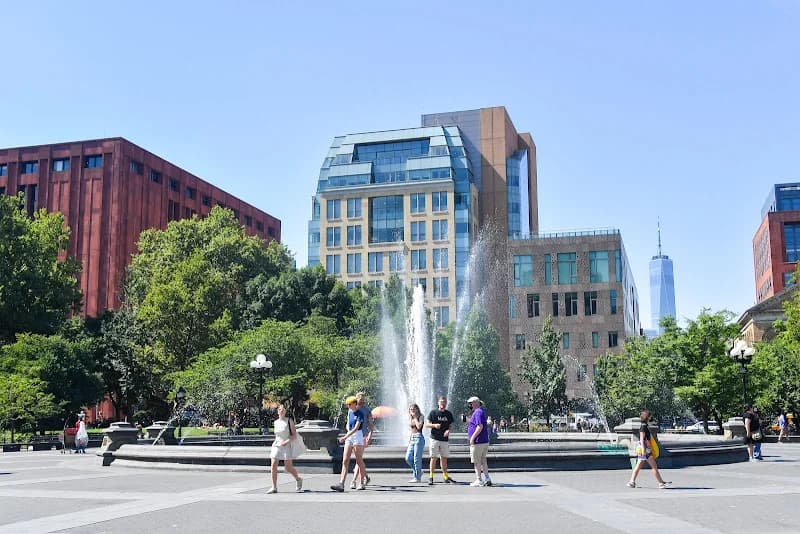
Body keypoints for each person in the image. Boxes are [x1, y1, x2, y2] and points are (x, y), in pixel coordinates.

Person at [331, 396, 368, 492]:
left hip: (357, 436)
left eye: (350, 404)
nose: (348, 406)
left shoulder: (360, 414)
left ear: (355, 404)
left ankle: (362, 482)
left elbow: (356, 428)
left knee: (359, 461)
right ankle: (341, 483)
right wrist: (347, 432)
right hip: (350, 435)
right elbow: (349, 424)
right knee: (345, 460)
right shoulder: (350, 412)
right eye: (347, 404)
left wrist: (345, 437)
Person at [627, 410, 671, 489]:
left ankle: (631, 482)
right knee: (654, 466)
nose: (651, 417)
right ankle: (661, 483)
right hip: (645, 449)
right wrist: (644, 450)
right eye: (650, 416)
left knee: (638, 466)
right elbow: (642, 439)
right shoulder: (643, 426)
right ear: (647, 417)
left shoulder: (644, 425)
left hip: (643, 449)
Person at [266, 404, 303, 494]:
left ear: (285, 411)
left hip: (286, 445)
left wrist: (287, 441)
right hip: (276, 445)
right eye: (280, 409)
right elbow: (277, 435)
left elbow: (294, 435)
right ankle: (274, 487)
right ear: (277, 411)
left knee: (288, 467)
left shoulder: (289, 421)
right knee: (273, 464)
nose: (281, 411)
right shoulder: (275, 422)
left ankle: (298, 479)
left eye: (283, 410)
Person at [426, 396, 455, 485]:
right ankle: (431, 477)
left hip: (444, 440)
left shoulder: (448, 414)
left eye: (444, 402)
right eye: (441, 402)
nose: (443, 403)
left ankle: (445, 476)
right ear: (438, 403)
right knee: (433, 458)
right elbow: (427, 424)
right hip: (434, 438)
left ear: (446, 403)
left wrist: (448, 431)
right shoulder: (433, 413)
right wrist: (434, 425)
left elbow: (450, 426)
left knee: (444, 458)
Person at [467, 396, 492, 487]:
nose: (470, 405)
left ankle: (479, 479)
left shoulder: (477, 412)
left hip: (478, 441)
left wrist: (472, 438)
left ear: (475, 403)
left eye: (471, 404)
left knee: (477, 461)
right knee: (483, 460)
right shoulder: (480, 412)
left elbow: (479, 426)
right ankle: (487, 478)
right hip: (484, 441)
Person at [351, 392, 374, 489]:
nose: (361, 399)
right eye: (359, 397)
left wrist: (370, 435)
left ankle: (355, 481)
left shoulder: (367, 410)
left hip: (362, 436)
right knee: (358, 460)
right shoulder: (352, 409)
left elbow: (371, 425)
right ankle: (366, 477)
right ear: (356, 398)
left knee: (358, 460)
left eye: (363, 397)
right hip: (352, 437)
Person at [405, 403, 426, 483]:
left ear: (417, 409)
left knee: (416, 459)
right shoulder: (410, 418)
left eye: (414, 409)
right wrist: (410, 439)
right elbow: (411, 429)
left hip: (419, 438)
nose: (412, 410)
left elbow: (419, 427)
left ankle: (417, 477)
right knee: (408, 458)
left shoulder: (421, 416)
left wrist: (415, 418)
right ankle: (419, 472)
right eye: (411, 409)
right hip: (412, 438)